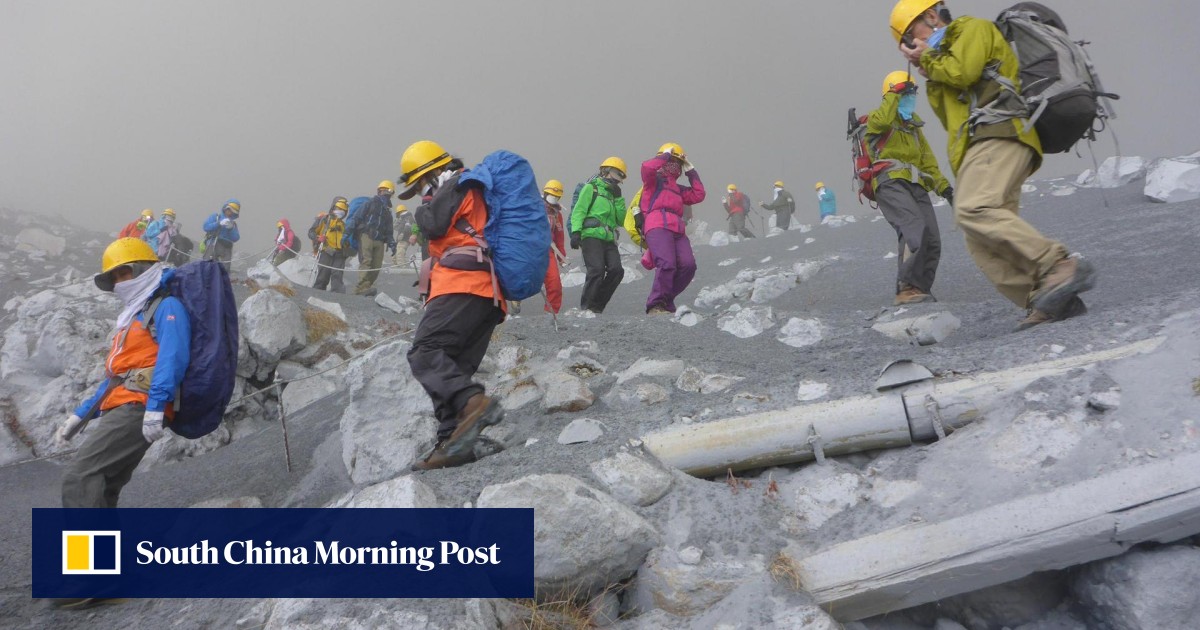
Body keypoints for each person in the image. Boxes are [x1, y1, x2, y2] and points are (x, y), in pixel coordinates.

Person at [892, 0, 1095, 330]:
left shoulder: (973, 28)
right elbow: (953, 117)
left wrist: (929, 56)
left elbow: (965, 71)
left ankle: (1057, 264)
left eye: (909, 35)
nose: (910, 46)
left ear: (930, 16)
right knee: (981, 241)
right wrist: (932, 69)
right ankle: (1050, 298)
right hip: (981, 146)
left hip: (999, 134)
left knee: (975, 208)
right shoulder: (942, 58)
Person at [53, 238, 190, 509]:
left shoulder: (166, 307)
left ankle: (83, 554)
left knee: (80, 477)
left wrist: (155, 406)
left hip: (139, 405)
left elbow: (172, 358)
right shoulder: (133, 316)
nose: (119, 282)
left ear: (142, 269)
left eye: (124, 272)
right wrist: (80, 415)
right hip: (126, 404)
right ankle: (104, 552)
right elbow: (117, 377)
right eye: (114, 277)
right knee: (105, 485)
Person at [398, 140, 505, 470]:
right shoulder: (466, 187)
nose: (420, 194)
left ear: (428, 174)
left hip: (463, 284)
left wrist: (423, 208)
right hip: (486, 294)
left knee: (426, 352)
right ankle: (454, 442)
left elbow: (433, 225)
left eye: (418, 186)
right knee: (453, 366)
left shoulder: (454, 183)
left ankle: (475, 405)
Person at [868, 70, 955, 305]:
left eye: (912, 92)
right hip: (890, 182)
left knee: (932, 239)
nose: (910, 96)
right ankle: (906, 288)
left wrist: (945, 189)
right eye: (905, 92)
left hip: (916, 185)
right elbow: (883, 120)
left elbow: (928, 162)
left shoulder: (914, 126)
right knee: (913, 229)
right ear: (891, 95)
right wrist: (893, 95)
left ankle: (920, 288)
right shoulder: (878, 119)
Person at [639, 142, 706, 314]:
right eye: (673, 161)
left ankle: (665, 301)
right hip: (657, 225)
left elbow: (699, 195)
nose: (674, 166)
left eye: (678, 163)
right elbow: (647, 167)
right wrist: (665, 156)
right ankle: (655, 304)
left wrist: (692, 171)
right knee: (667, 264)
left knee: (688, 266)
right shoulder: (653, 182)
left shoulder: (678, 188)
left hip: (677, 228)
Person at [570, 157, 628, 314]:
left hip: (608, 239)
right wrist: (575, 232)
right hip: (591, 235)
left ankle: (596, 307)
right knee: (596, 270)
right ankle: (586, 307)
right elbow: (579, 210)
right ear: (606, 171)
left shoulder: (614, 195)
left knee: (617, 271)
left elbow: (621, 220)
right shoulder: (591, 188)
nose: (617, 180)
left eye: (620, 177)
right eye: (617, 175)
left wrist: (619, 199)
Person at [347, 181, 396, 296]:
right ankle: (360, 287)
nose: (385, 193)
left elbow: (389, 230)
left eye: (387, 191)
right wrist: (347, 233)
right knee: (366, 260)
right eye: (384, 190)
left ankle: (367, 286)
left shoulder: (387, 211)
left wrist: (392, 242)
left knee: (377, 265)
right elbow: (357, 218)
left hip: (380, 240)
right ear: (379, 191)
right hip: (366, 236)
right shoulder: (369, 204)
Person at [311, 202, 351, 293]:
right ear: (333, 209)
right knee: (323, 274)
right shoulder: (325, 221)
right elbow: (311, 232)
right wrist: (318, 238)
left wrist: (347, 246)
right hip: (326, 251)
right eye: (338, 209)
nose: (340, 212)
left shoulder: (344, 226)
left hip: (340, 253)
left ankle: (337, 295)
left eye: (343, 210)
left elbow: (348, 240)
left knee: (337, 275)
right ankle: (318, 293)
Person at [542, 179, 567, 315]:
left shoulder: (557, 215)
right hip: (530, 250)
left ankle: (551, 313)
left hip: (548, 251)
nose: (553, 198)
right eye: (551, 195)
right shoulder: (532, 208)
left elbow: (559, 237)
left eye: (556, 196)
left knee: (554, 283)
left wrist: (561, 256)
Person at [201, 199, 241, 269]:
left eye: (233, 212)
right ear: (225, 208)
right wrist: (218, 223)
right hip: (213, 244)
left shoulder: (233, 224)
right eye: (229, 210)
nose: (230, 213)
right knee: (207, 267)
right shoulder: (216, 217)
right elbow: (206, 227)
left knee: (224, 270)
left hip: (226, 248)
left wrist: (230, 229)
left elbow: (236, 238)